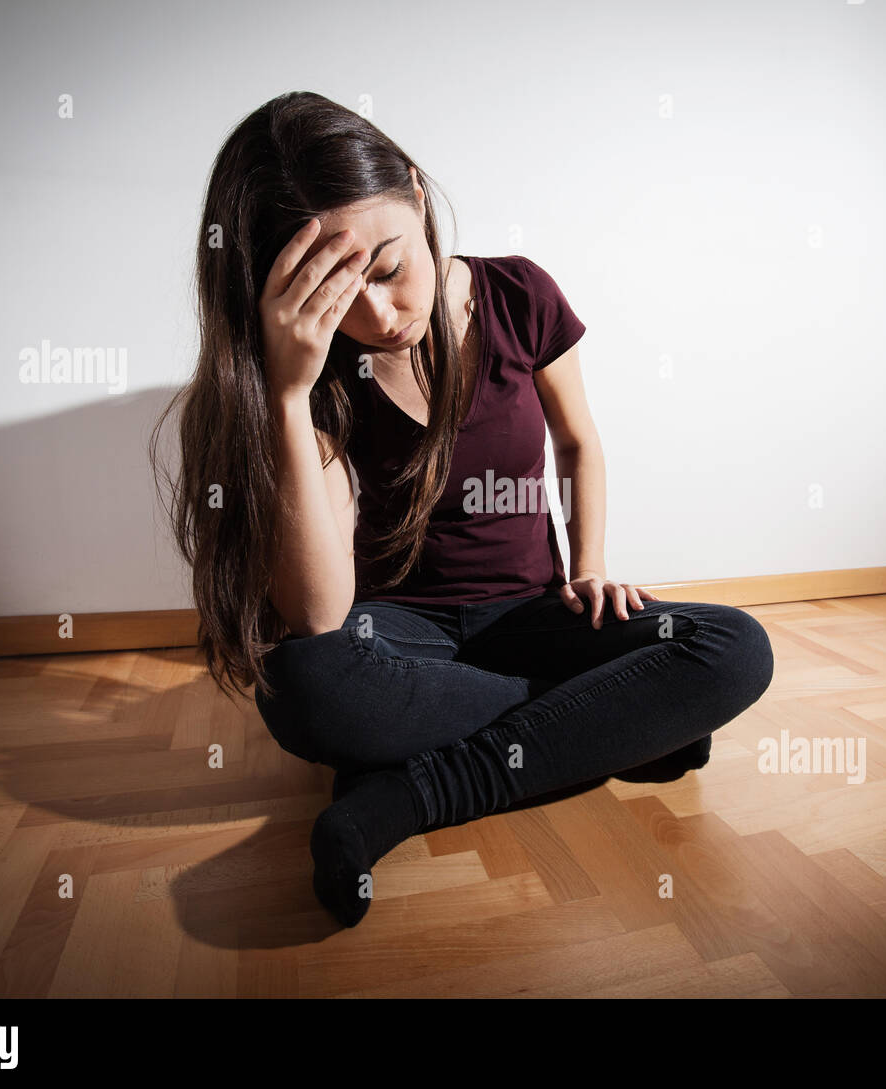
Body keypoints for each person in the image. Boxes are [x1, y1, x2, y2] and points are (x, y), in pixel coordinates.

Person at [151, 91, 774, 928]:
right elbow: (321, 611)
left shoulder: (521, 295)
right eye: (339, 298)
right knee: (303, 684)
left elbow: (579, 443)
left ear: (414, 190)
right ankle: (610, 721)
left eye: (386, 269)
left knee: (734, 647)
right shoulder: (318, 373)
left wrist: (589, 571)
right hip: (393, 636)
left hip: (531, 610)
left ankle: (405, 795)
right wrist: (290, 393)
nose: (378, 317)